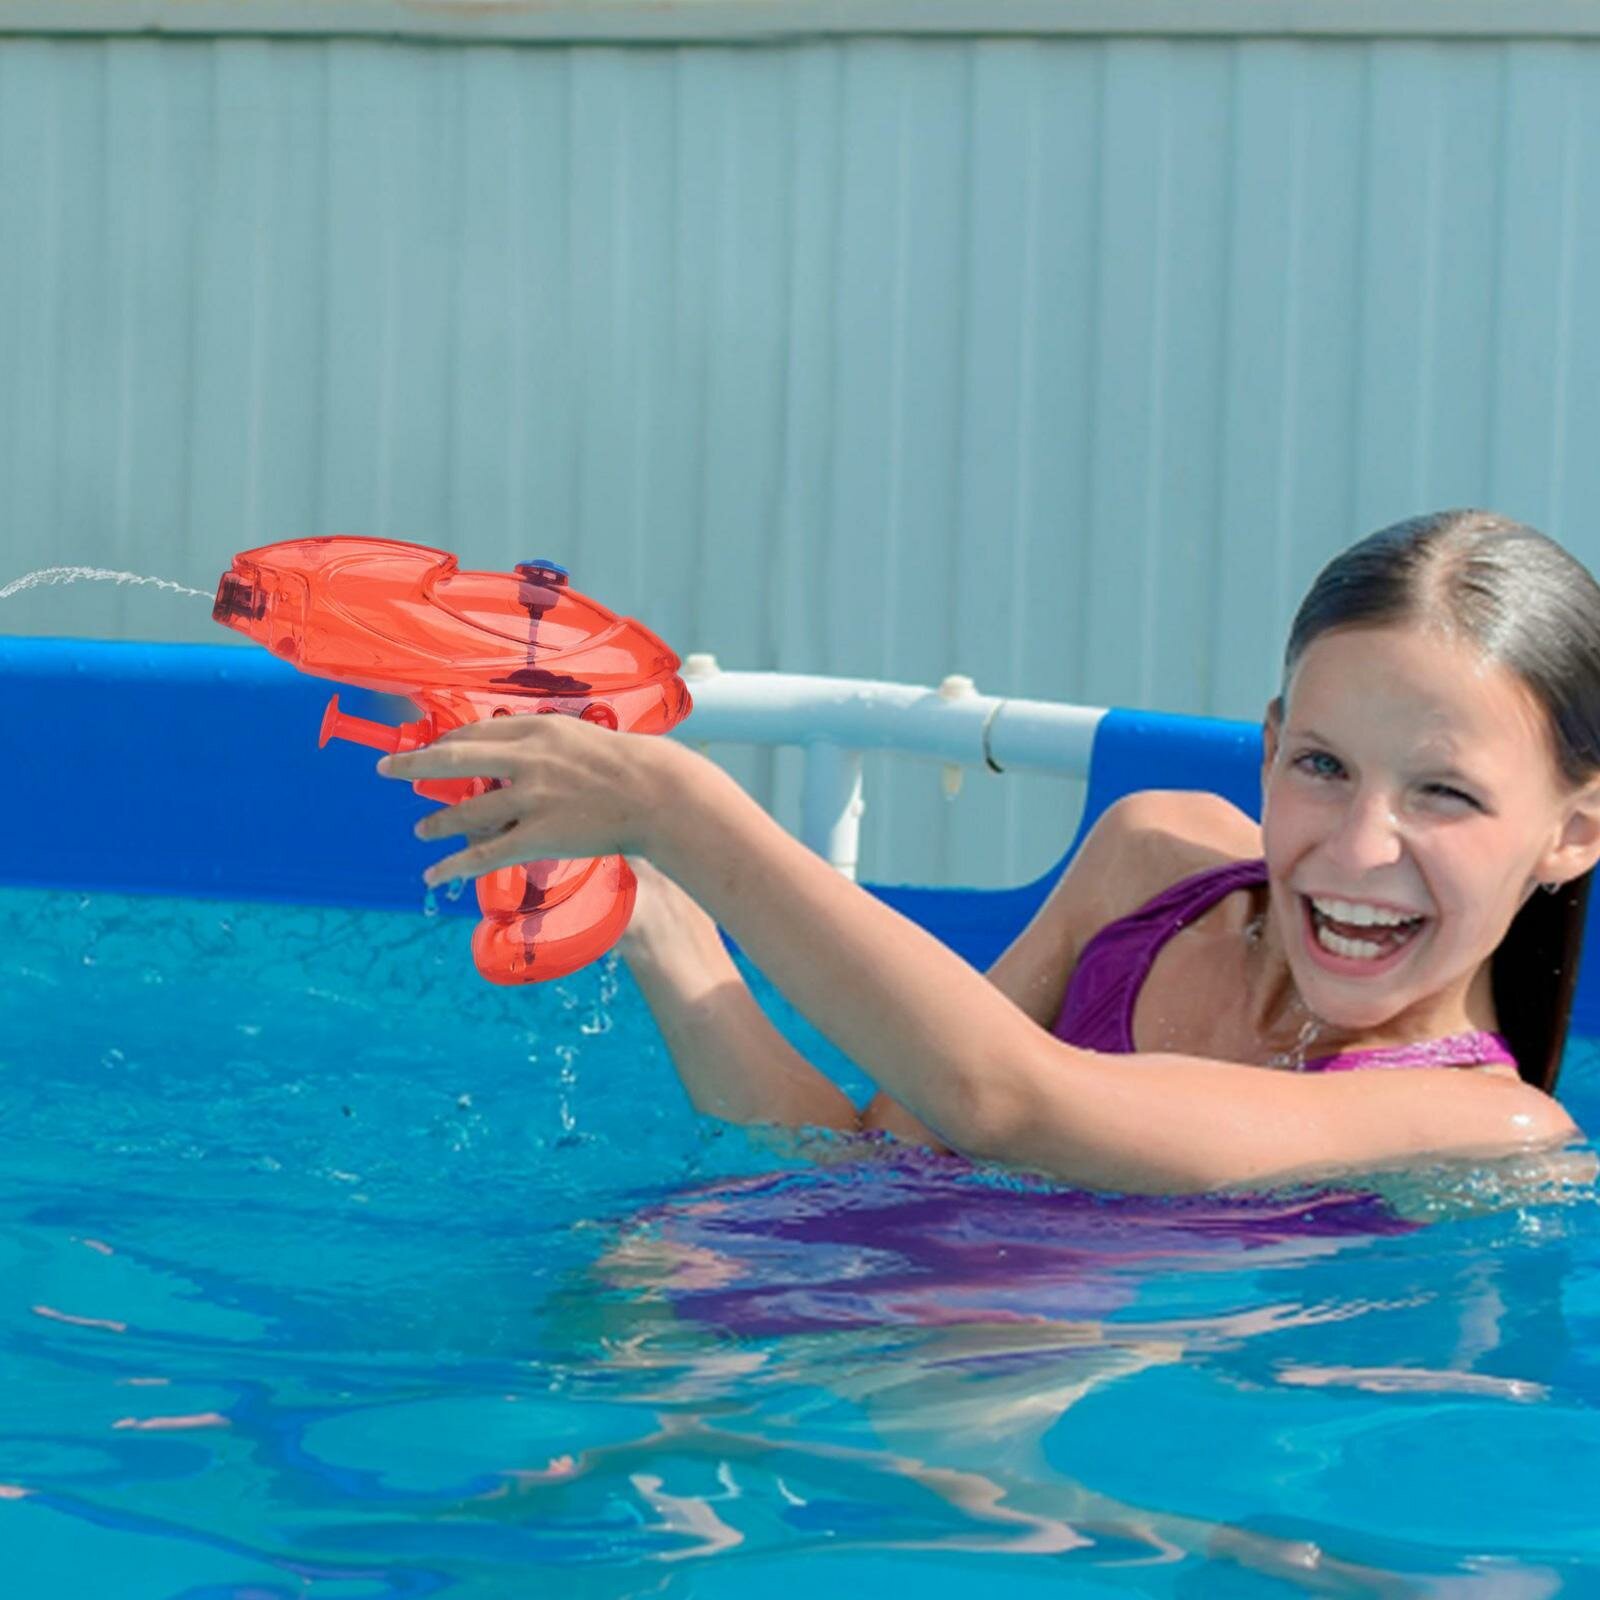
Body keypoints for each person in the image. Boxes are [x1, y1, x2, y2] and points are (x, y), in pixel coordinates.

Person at [378, 510, 1600, 1194]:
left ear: (1573, 831)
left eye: (1443, 795)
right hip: (854, 1352)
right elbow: (859, 1156)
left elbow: (1008, 1100)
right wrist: (660, 918)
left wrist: (683, 809)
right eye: (1321, 766)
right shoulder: (1147, 864)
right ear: (1268, 747)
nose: (1359, 846)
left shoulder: (1484, 1130)